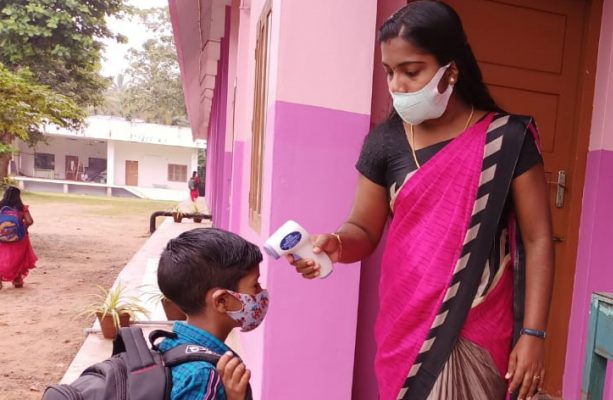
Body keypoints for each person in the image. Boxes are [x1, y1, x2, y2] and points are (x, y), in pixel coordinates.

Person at [288, 2, 554, 400]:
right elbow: (363, 227)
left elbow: (538, 241)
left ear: (452, 70)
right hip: (404, 328)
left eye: (411, 71)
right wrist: (338, 244)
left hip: (477, 328)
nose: (397, 85)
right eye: (389, 72)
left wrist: (534, 334)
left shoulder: (506, 140)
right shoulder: (385, 142)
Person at [157, 228, 268, 400]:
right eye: (255, 285)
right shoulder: (203, 376)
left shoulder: (169, 345)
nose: (261, 293)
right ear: (222, 301)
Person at [0, 186, 37, 289]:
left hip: (1, 237)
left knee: (1, 257)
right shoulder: (21, 208)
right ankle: (17, 280)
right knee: (18, 258)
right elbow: (29, 221)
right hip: (19, 238)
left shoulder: (0, 207)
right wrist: (22, 227)